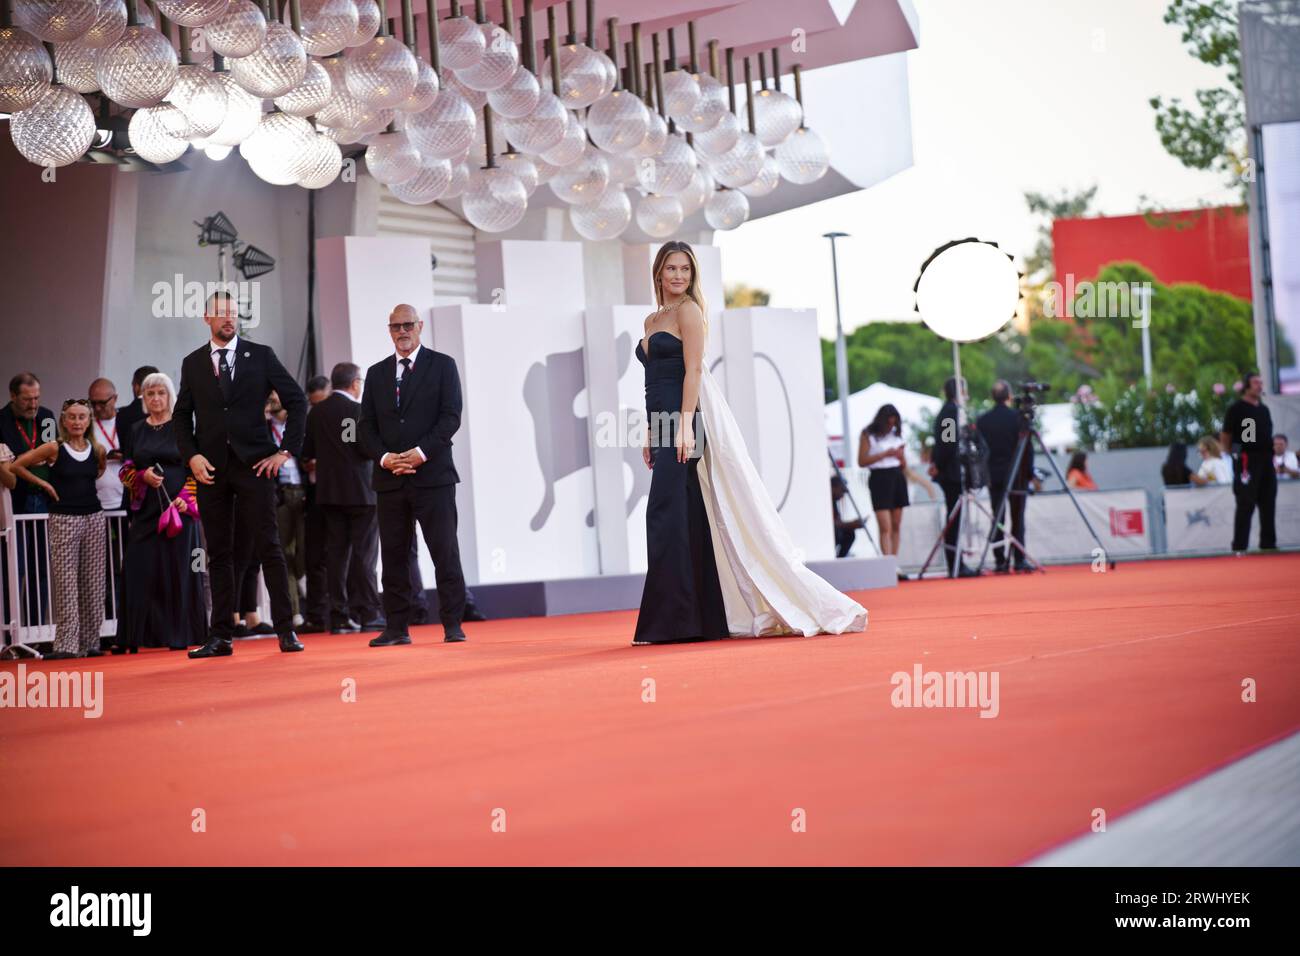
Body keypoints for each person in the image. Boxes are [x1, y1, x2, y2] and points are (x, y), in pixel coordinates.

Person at [632, 241, 865, 644]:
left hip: (687, 422)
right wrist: (651, 431)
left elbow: (692, 372)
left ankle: (674, 620)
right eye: (671, 268)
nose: (678, 276)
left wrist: (686, 425)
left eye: (685, 270)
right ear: (658, 273)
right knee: (686, 517)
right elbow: (652, 382)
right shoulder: (652, 320)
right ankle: (694, 621)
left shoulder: (689, 311)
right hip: (663, 420)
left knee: (663, 514)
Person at [173, 290, 308, 657]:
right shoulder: (193, 363)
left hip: (256, 466)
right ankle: (220, 636)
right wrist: (193, 458)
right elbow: (181, 417)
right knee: (219, 553)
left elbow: (297, 401)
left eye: (233, 313)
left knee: (270, 547)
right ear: (207, 318)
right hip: (211, 470)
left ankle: (285, 631)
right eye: (221, 314)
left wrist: (285, 453)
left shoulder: (261, 356)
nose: (229, 319)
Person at [359, 304, 470, 646]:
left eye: (408, 325)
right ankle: (396, 628)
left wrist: (419, 454)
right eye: (396, 327)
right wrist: (385, 457)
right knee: (393, 555)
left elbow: (451, 417)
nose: (402, 331)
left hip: (433, 476)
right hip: (391, 479)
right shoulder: (376, 374)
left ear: (420, 326)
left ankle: (452, 623)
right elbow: (365, 427)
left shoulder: (443, 365)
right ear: (389, 330)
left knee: (444, 550)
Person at [115, 373, 207, 652]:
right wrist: (142, 477)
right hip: (146, 511)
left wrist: (185, 499)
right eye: (150, 393)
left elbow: (198, 468)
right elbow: (126, 469)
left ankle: (181, 635)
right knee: (136, 568)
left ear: (170, 396)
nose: (155, 398)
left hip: (179, 510)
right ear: (143, 398)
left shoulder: (184, 427)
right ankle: (134, 637)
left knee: (179, 571)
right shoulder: (135, 429)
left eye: (161, 393)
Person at [9, 399, 106, 659]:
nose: (77, 422)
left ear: (89, 421)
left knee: (94, 583)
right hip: (64, 519)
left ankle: (90, 642)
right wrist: (45, 485)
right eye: (72, 417)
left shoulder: (97, 449)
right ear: (63, 420)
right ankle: (66, 645)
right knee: (66, 583)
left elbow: (97, 472)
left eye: (82, 417)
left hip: (94, 517)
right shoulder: (54, 448)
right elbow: (17, 464)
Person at [303, 362, 383, 634]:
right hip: (360, 493)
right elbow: (358, 446)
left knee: (336, 556)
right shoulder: (354, 411)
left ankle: (338, 615)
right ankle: (368, 612)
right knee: (365, 555)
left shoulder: (316, 413)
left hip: (329, 494)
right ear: (355, 383)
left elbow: (308, 451)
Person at [1, 372, 57, 624]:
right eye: (27, 399)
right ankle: (10, 631)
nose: (33, 404)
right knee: (16, 568)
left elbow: (51, 456)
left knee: (41, 569)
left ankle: (36, 630)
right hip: (15, 500)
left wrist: (27, 459)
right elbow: (7, 466)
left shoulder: (46, 417)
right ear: (13, 396)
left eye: (36, 398)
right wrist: (33, 459)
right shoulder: (1, 421)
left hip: (44, 499)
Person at [1220, 370, 1277, 552]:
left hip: (1267, 460)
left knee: (1268, 503)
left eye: (1261, 383)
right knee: (1246, 503)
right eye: (1255, 383)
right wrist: (1234, 454)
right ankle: (1240, 546)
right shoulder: (1237, 409)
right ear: (1246, 386)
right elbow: (1227, 435)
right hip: (1247, 460)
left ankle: (1268, 545)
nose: (1259, 386)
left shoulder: (1263, 409)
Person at [977, 381, 1031, 573]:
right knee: (1018, 519)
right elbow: (1027, 448)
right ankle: (1018, 559)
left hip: (994, 476)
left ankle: (1000, 560)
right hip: (1016, 474)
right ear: (1009, 396)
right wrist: (1030, 473)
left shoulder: (982, 420)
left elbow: (980, 450)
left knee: (997, 518)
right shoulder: (1017, 418)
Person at [928, 376, 978, 577]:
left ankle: (956, 561)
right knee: (954, 518)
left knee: (954, 517)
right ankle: (955, 562)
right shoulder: (950, 411)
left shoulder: (949, 410)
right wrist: (939, 465)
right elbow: (947, 442)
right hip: (951, 473)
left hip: (949, 471)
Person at [266, 390, 307, 622]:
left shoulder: (299, 424)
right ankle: (294, 611)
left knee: (304, 551)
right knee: (285, 552)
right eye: (270, 397)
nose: (273, 400)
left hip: (302, 493)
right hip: (279, 495)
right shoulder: (263, 427)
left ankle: (305, 594)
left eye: (276, 396)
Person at [299, 375, 333, 633]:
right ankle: (316, 614)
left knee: (343, 557)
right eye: (313, 404)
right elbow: (302, 454)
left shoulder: (348, 417)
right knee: (314, 558)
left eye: (321, 402)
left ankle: (345, 611)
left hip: (342, 496)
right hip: (313, 496)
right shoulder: (308, 420)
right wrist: (307, 462)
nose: (318, 409)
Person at [858, 404, 908, 576]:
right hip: (880, 477)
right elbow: (862, 460)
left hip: (896, 475)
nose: (891, 426)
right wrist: (884, 454)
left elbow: (904, 464)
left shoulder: (897, 435)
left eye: (894, 423)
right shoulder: (868, 434)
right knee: (884, 524)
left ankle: (894, 561)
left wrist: (900, 457)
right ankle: (887, 562)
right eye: (888, 422)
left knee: (896, 523)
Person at [116, 365, 158, 461]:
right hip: (161, 471)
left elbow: (126, 450)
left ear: (136, 386)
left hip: (132, 472)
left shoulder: (122, 414)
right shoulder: (166, 412)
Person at [830, 475, 864, 558]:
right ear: (833, 487)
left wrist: (852, 525)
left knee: (849, 533)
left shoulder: (834, 502)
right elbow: (832, 524)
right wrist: (851, 524)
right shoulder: (826, 501)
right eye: (842, 490)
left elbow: (838, 521)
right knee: (838, 532)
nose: (843, 495)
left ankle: (840, 558)